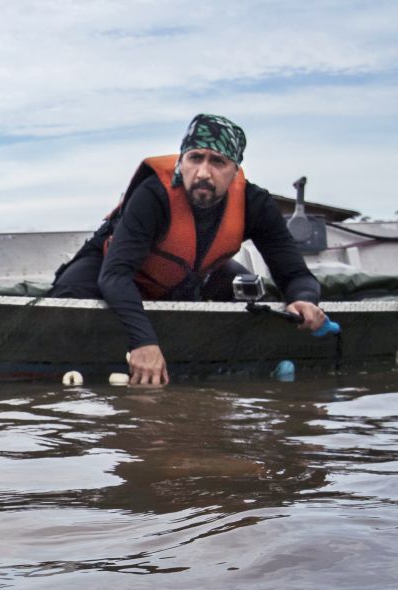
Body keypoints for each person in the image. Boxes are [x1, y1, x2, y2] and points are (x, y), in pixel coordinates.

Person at [49, 114, 326, 386]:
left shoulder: (256, 204)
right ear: (182, 161)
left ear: (235, 170)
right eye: (195, 158)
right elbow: (115, 275)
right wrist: (143, 342)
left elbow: (295, 275)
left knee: (248, 290)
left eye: (218, 162)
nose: (203, 173)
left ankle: (230, 366)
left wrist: (305, 299)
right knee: (67, 297)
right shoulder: (153, 194)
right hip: (115, 268)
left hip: (185, 278)